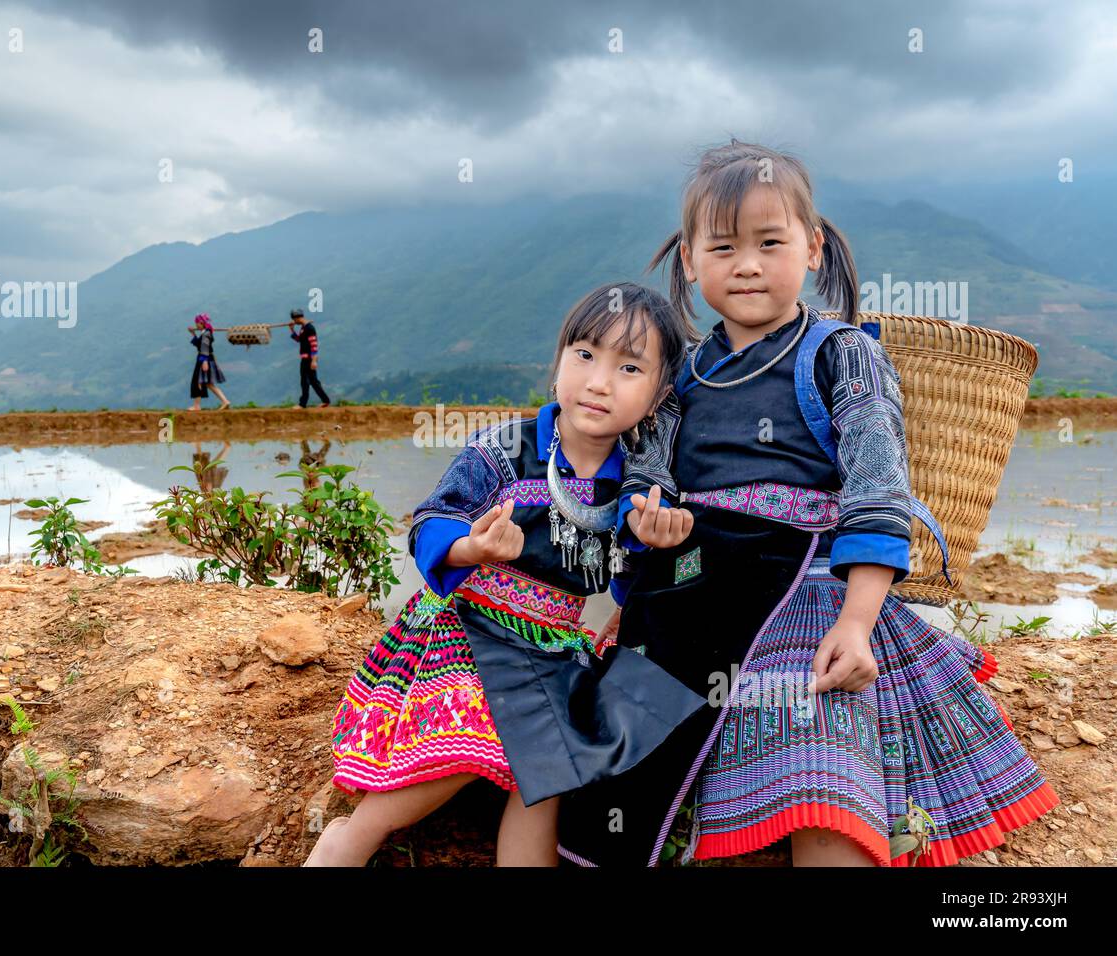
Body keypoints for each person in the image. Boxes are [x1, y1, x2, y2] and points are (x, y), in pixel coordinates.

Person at [558, 139, 1059, 868]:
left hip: (811, 589)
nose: (749, 264)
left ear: (813, 247)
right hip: (692, 588)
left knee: (819, 771)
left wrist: (857, 623)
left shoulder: (841, 354)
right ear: (692, 262)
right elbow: (648, 472)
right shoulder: (681, 377)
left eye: (771, 242)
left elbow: (877, 484)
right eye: (723, 247)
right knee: (615, 756)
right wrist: (650, 515)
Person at [305, 283, 704, 866]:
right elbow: (431, 519)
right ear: (558, 362)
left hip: (556, 646)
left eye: (629, 367)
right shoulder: (503, 449)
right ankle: (354, 837)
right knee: (479, 723)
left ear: (657, 396)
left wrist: (652, 546)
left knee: (544, 773)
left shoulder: (636, 489)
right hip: (470, 629)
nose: (599, 381)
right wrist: (473, 547)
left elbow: (628, 585)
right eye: (586, 355)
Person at [187, 313, 230, 411]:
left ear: (201, 323)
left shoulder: (206, 334)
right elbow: (199, 344)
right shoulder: (205, 332)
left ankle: (197, 406)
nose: (196, 325)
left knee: (198, 381)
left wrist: (204, 361)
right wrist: (193, 333)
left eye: (197, 323)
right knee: (208, 383)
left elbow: (204, 348)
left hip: (204, 359)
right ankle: (225, 401)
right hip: (204, 358)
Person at [289, 308, 330, 408]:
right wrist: (291, 329)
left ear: (297, 318)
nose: (294, 322)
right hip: (305, 359)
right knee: (312, 381)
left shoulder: (309, 328)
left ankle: (302, 404)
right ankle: (325, 400)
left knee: (305, 381)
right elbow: (299, 340)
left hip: (309, 359)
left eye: (294, 320)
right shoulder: (303, 328)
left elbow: (314, 345)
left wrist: (314, 361)